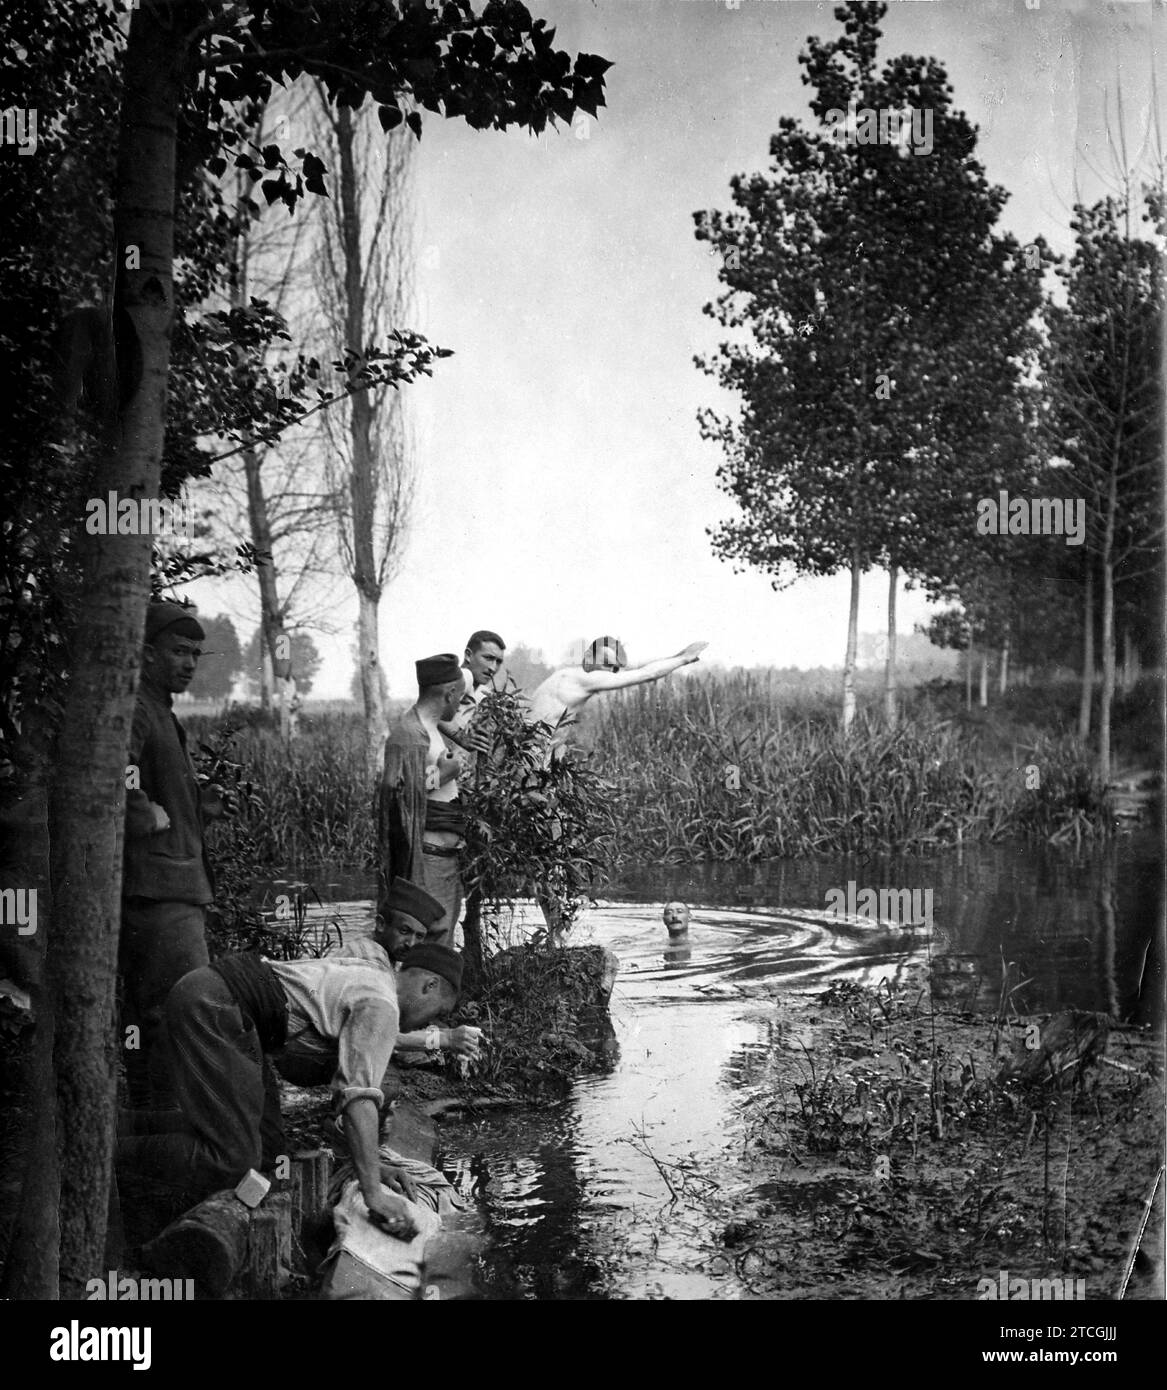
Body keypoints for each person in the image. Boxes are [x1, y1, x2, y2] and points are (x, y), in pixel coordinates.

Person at [118, 935, 466, 1242]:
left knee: (269, 1151)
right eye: (439, 1012)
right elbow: (358, 1098)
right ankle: (103, 1149)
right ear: (429, 986)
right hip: (218, 1003)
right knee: (233, 1161)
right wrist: (373, 1192)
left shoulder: (374, 974)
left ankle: (122, 1126)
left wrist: (371, 1166)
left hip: (233, 1007)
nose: (431, 1023)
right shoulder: (382, 1005)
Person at [121, 601, 224, 1106]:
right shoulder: (140, 708)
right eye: (178, 652)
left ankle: (157, 1122)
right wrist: (144, 814)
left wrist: (196, 805)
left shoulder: (159, 709)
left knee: (158, 1012)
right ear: (146, 654)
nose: (188, 663)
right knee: (177, 1009)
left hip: (173, 889)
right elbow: (118, 773)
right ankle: (169, 1126)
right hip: (162, 894)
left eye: (195, 655)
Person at [377, 654, 469, 949]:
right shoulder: (409, 735)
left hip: (443, 861)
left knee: (440, 936)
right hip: (426, 861)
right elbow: (393, 796)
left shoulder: (431, 728)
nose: (459, 706)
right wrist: (442, 776)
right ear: (450, 693)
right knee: (425, 940)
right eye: (460, 699)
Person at [527, 637, 708, 739]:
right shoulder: (582, 678)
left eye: (614, 668)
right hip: (533, 764)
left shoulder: (566, 676)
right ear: (590, 658)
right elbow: (647, 674)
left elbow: (640, 668)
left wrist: (677, 656)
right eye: (606, 664)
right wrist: (684, 659)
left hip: (532, 759)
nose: (611, 673)